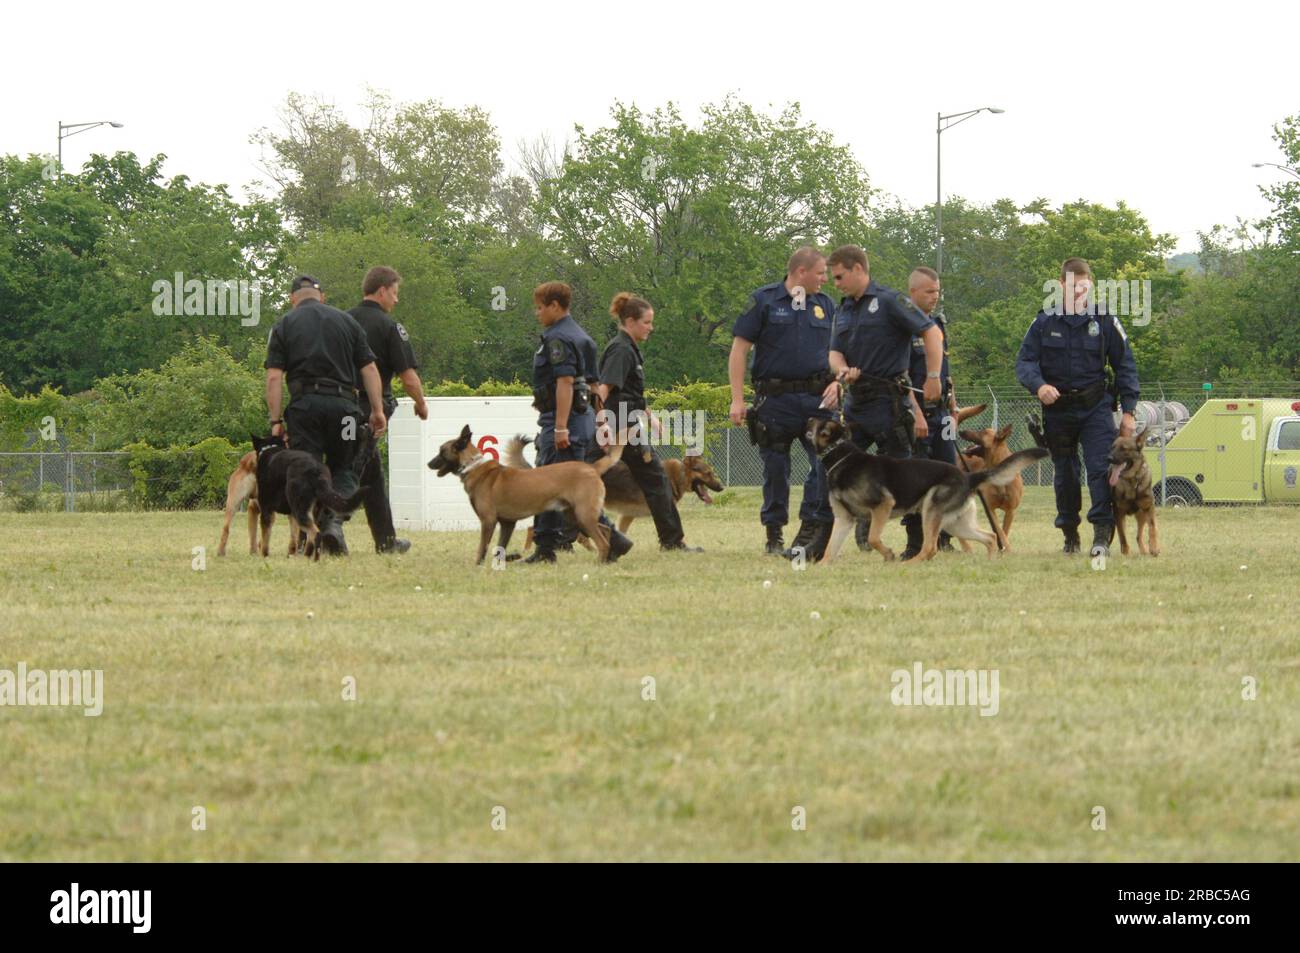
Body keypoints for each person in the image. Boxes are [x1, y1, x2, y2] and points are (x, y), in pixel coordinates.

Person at [826, 246, 944, 561]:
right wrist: (840, 369)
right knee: (833, 469)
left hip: (889, 403)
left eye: (839, 276)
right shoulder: (845, 309)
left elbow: (932, 333)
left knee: (904, 476)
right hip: (856, 404)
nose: (835, 283)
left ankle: (915, 545)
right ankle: (816, 544)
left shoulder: (890, 301)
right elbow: (834, 352)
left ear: (857, 269)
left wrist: (933, 376)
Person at [1015, 257, 1139, 556]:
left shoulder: (1105, 320)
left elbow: (1125, 365)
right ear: (1061, 285)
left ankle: (1101, 534)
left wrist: (1129, 411)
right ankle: (1070, 533)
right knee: (1066, 473)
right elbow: (1025, 362)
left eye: (1084, 287)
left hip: (1095, 405)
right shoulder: (1045, 321)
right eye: (1073, 287)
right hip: (1058, 409)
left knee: (1100, 468)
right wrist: (1039, 386)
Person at [728, 246, 839, 559]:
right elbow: (739, 350)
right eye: (820, 273)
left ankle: (810, 526)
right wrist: (737, 399)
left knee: (824, 464)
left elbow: (839, 351)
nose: (825, 280)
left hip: (817, 398)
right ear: (801, 272)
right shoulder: (764, 300)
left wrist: (838, 384)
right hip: (775, 400)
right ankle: (774, 533)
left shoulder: (826, 305)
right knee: (776, 468)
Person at [264, 275, 386, 555]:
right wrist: (377, 411)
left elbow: (273, 378)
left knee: (308, 471)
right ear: (323, 296)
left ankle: (312, 537)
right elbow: (369, 370)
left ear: (293, 298)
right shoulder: (347, 322)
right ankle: (332, 524)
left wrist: (275, 422)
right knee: (344, 467)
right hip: (344, 410)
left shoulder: (284, 324)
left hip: (305, 410)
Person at [526, 281, 633, 564]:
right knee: (569, 488)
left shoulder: (558, 338)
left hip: (564, 422)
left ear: (554, 306)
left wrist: (560, 426)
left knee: (547, 485)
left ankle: (548, 548)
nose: (537, 314)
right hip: (583, 421)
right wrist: (602, 423)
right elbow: (596, 386)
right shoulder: (584, 337)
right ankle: (555, 546)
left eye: (540, 308)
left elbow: (565, 382)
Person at [595, 292, 701, 553]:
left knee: (590, 475)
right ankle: (672, 541)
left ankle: (560, 537)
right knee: (657, 481)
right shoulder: (621, 349)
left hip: (627, 424)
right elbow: (604, 389)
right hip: (622, 429)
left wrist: (650, 416)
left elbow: (629, 393)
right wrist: (602, 424)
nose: (651, 328)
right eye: (647, 322)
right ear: (630, 321)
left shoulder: (628, 349)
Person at [348, 266, 428, 555]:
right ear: (381, 291)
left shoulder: (343, 320)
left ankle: (386, 540)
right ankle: (329, 523)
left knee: (370, 472)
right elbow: (408, 377)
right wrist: (421, 404)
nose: (396, 300)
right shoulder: (389, 327)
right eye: (394, 294)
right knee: (354, 467)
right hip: (373, 409)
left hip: (340, 406)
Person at [906, 266, 959, 550]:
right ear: (913, 292)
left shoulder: (938, 324)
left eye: (937, 291)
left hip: (942, 414)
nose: (934, 297)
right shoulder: (903, 327)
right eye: (929, 292)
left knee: (948, 472)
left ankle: (945, 538)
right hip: (918, 414)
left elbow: (946, 371)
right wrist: (915, 412)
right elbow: (901, 376)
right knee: (917, 478)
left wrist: (954, 405)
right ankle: (916, 540)